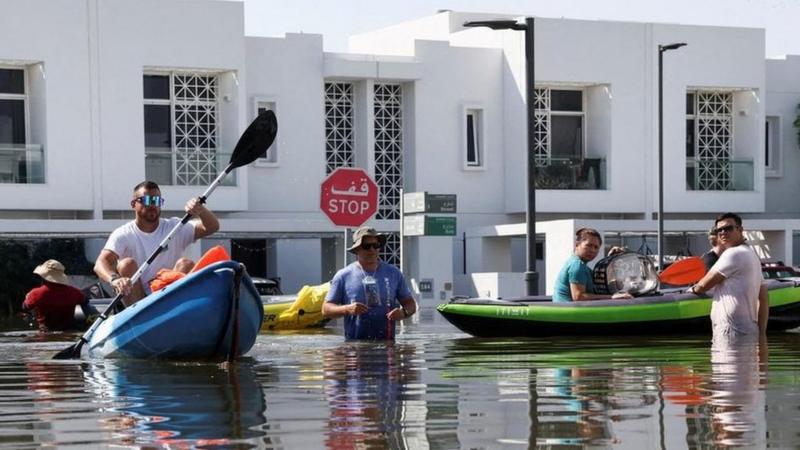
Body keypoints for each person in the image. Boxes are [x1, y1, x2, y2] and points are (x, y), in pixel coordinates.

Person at [94, 181, 220, 305]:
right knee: (126, 264)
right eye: (147, 200)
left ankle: (175, 311)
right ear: (133, 204)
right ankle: (139, 316)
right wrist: (115, 280)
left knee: (185, 264)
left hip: (168, 293)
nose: (153, 205)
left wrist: (201, 210)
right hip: (138, 297)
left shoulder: (174, 226)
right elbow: (100, 263)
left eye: (157, 201)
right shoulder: (123, 233)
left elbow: (212, 227)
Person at [322, 226, 416, 340]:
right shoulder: (343, 275)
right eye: (367, 246)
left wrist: (403, 313)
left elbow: (410, 304)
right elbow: (326, 309)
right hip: (355, 347)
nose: (372, 249)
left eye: (376, 246)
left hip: (387, 346)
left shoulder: (394, 273)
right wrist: (347, 309)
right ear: (357, 249)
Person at [688, 213, 768, 338]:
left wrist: (693, 289)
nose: (723, 232)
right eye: (719, 230)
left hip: (731, 330)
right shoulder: (752, 255)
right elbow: (763, 298)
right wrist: (762, 334)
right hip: (748, 329)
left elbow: (704, 285)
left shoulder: (733, 253)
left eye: (728, 228)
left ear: (740, 229)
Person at [553, 228, 633, 302]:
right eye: (589, 245)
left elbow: (597, 280)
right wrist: (612, 297)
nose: (592, 250)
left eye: (596, 247)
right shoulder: (577, 265)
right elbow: (578, 296)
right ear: (577, 245)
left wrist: (609, 259)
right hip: (568, 314)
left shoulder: (581, 265)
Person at [22, 259, 89, 331]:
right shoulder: (74, 292)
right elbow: (85, 301)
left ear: (43, 277)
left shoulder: (35, 293)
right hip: (68, 332)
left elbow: (25, 307)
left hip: (44, 334)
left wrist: (28, 297)